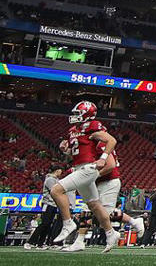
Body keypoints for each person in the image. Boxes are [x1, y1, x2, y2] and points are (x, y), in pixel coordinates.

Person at [49, 101, 119, 252]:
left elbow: (111, 140)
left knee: (56, 190)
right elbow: (76, 153)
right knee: (94, 205)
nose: (74, 116)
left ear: (87, 114)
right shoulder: (74, 129)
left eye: (77, 113)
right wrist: (65, 150)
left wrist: (103, 157)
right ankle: (111, 233)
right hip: (80, 166)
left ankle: (68, 223)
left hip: (88, 168)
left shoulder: (92, 126)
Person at [64, 141, 144, 252]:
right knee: (86, 210)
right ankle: (79, 241)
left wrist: (92, 175)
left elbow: (110, 165)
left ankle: (132, 222)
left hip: (108, 181)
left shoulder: (101, 144)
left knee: (105, 214)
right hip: (97, 182)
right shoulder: (91, 146)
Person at [24, 164, 64, 249]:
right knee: (44, 223)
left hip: (53, 204)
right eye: (60, 170)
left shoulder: (56, 180)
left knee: (48, 224)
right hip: (47, 204)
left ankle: (40, 243)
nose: (61, 172)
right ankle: (30, 242)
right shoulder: (50, 179)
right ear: (57, 170)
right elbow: (55, 191)